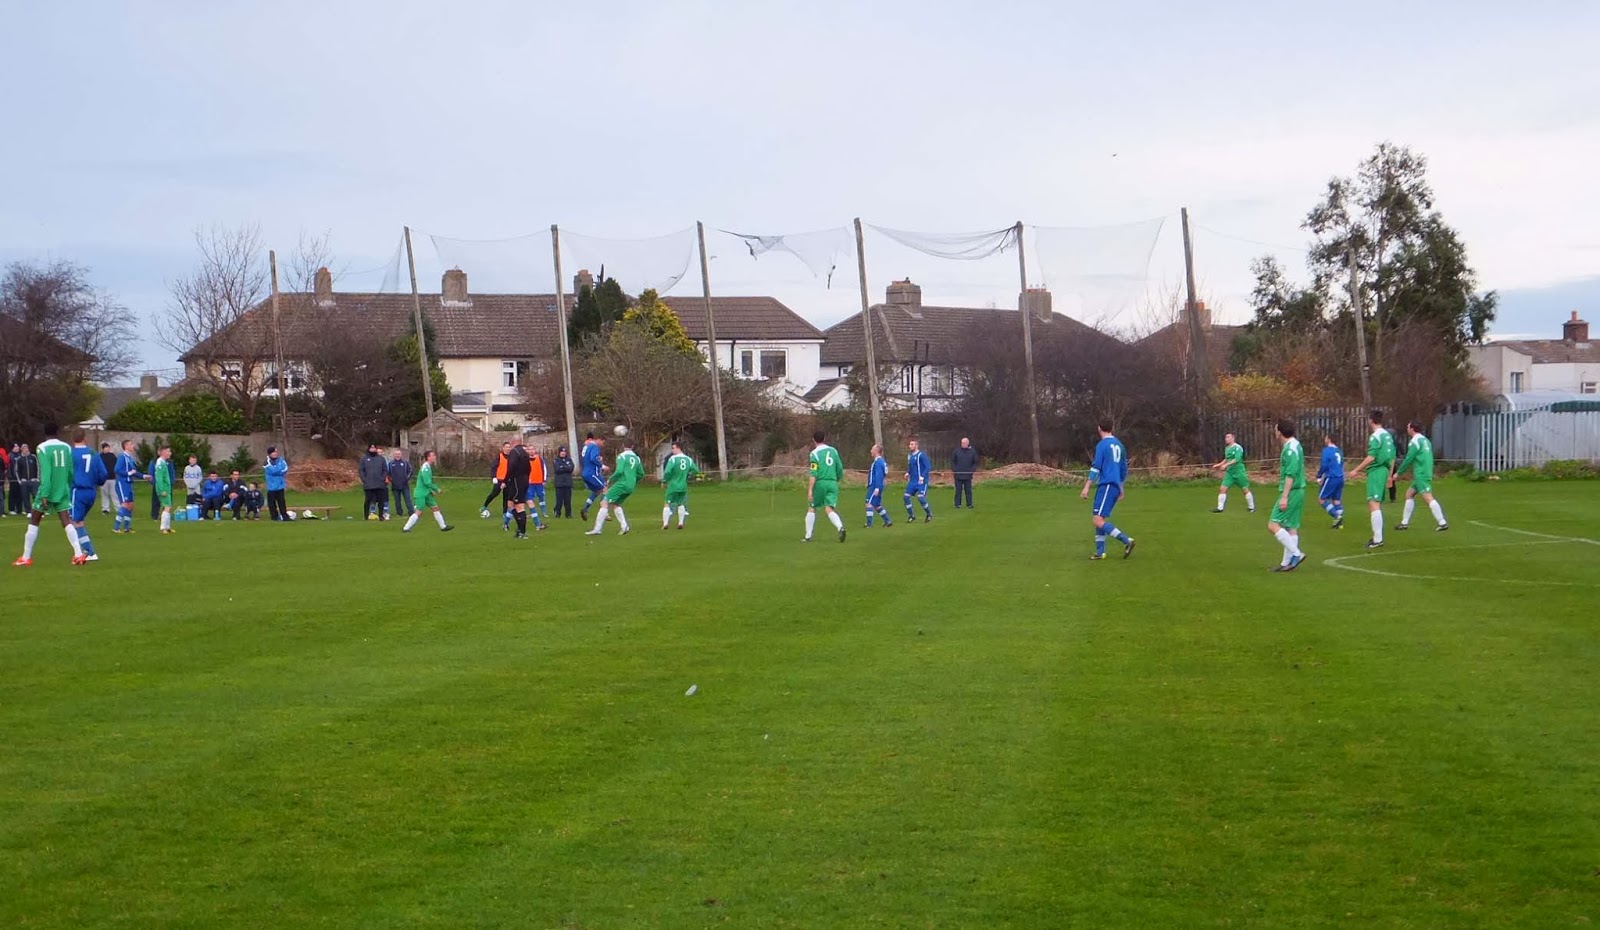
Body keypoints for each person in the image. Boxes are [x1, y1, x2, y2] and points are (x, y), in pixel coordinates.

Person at [14, 424, 85, 566]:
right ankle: (78, 553)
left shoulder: (42, 448)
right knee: (66, 521)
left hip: (48, 490)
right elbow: (70, 470)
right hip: (62, 488)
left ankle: (26, 557)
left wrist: (44, 493)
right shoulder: (66, 447)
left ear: (44, 433)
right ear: (57, 432)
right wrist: (67, 485)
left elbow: (45, 472)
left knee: (34, 519)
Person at [1079, 418, 1135, 560]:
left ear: (1099, 428)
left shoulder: (1102, 445)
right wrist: (1121, 487)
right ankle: (1100, 552)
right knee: (1100, 518)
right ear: (1112, 428)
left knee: (1097, 520)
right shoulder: (1120, 445)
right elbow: (1123, 469)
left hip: (1107, 485)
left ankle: (1126, 540)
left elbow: (1096, 467)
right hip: (1114, 485)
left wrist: (1086, 486)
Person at [1345, 409, 1397, 550]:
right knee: (1376, 503)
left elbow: (1371, 457)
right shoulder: (1387, 436)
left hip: (1376, 471)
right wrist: (1390, 476)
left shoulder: (1375, 437)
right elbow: (1392, 457)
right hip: (1385, 470)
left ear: (1370, 420)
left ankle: (1377, 539)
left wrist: (1356, 470)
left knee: (1373, 504)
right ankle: (1377, 537)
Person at [1267, 419, 1308, 572]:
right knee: (1291, 527)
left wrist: (1284, 496)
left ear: (1280, 432)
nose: (1274, 431)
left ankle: (1297, 554)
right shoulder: (1295, 444)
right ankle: (1286, 563)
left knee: (1273, 525)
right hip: (1298, 490)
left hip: (1292, 491)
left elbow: (1290, 474)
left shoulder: (1290, 449)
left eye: (1275, 429)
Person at [1393, 421, 1449, 532]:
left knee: (1428, 497)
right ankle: (1404, 523)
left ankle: (1442, 522)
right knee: (1409, 494)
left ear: (1412, 429)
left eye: (1408, 427)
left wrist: (1398, 473)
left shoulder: (1414, 442)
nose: (1407, 429)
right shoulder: (1425, 440)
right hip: (1425, 471)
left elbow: (1409, 458)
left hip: (1421, 474)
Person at [586, 438, 643, 536]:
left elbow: (619, 471)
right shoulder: (637, 458)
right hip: (630, 485)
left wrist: (610, 479)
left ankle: (597, 529)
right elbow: (641, 474)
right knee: (615, 503)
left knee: (604, 502)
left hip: (622, 484)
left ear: (623, 446)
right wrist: (632, 480)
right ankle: (624, 526)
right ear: (633, 447)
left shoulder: (622, 457)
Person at [68, 432, 108, 562]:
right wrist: (97, 482)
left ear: (73, 439)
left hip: (78, 491)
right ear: (84, 438)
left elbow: (67, 473)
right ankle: (85, 550)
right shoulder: (93, 453)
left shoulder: (71, 454)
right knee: (79, 522)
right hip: (91, 492)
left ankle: (89, 552)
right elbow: (103, 474)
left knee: (76, 522)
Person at [803, 430, 847, 543]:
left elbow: (813, 473)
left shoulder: (814, 453)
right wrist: (836, 480)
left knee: (812, 507)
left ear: (813, 440)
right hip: (832, 483)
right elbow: (840, 468)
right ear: (824, 439)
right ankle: (840, 527)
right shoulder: (833, 451)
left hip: (821, 482)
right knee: (829, 508)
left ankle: (808, 536)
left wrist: (810, 490)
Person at [402, 450, 454, 533]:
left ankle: (443, 526)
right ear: (428, 457)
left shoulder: (428, 467)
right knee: (419, 512)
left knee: (435, 508)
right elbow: (426, 482)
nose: (435, 457)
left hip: (427, 493)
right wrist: (436, 489)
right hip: (421, 493)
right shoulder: (425, 467)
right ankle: (406, 528)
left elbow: (425, 482)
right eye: (433, 455)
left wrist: (430, 490)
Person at [1210, 432, 1255, 513]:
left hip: (1239, 472)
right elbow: (1227, 458)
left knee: (1245, 489)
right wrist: (1219, 464)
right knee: (1222, 489)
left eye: (1228, 437)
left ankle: (1251, 507)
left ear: (1233, 438)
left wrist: (1226, 465)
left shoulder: (1238, 448)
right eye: (1225, 437)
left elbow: (1236, 459)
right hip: (1229, 473)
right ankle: (1220, 508)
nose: (1226, 439)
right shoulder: (1227, 448)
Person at [501, 440, 536, 538]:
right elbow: (529, 468)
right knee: (510, 505)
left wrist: (505, 480)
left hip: (517, 482)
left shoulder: (514, 452)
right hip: (522, 482)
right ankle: (517, 528)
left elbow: (511, 467)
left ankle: (522, 532)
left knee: (519, 506)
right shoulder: (524, 453)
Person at [661, 441, 699, 529]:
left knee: (667, 503)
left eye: (673, 448)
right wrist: (687, 474)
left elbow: (667, 471)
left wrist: (664, 480)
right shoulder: (688, 459)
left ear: (678, 448)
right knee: (680, 503)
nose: (672, 450)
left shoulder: (673, 459)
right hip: (683, 485)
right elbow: (696, 471)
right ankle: (681, 523)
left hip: (673, 485)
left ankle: (665, 523)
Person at [112, 439, 143, 533]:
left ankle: (127, 527)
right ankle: (116, 527)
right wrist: (128, 473)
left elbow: (134, 472)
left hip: (129, 483)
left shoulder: (130, 458)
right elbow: (117, 469)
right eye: (131, 444)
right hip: (122, 483)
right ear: (126, 446)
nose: (133, 446)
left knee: (130, 505)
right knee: (125, 504)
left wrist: (144, 476)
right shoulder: (122, 457)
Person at [1315, 435, 1345, 529]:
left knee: (1321, 499)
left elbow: (1324, 465)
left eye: (1325, 438)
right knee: (1336, 500)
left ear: (1328, 439)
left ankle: (1337, 516)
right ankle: (1339, 524)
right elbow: (1341, 465)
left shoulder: (1327, 450)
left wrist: (1319, 476)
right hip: (1340, 477)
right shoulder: (1339, 451)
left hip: (1332, 477)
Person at [579, 432, 608, 520]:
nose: (603, 445)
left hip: (585, 473)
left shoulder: (587, 446)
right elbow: (593, 458)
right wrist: (602, 465)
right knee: (605, 488)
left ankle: (585, 508)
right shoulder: (594, 447)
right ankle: (604, 511)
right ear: (599, 440)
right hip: (592, 473)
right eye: (603, 442)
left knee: (597, 491)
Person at [904, 437, 933, 523]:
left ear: (916, 445)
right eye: (910, 444)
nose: (910, 446)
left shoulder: (921, 455)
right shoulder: (909, 456)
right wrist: (907, 473)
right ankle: (911, 516)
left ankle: (929, 514)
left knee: (920, 498)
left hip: (921, 481)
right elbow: (910, 467)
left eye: (912, 444)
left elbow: (928, 467)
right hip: (912, 481)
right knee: (906, 497)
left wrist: (922, 476)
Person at [480, 441, 511, 518]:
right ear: (503, 448)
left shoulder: (512, 457)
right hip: (499, 479)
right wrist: (494, 477)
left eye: (509, 447)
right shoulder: (499, 457)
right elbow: (494, 467)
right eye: (506, 447)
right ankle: (485, 505)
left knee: (506, 497)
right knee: (494, 494)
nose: (508, 449)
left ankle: (505, 512)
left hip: (507, 480)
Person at [865, 443, 892, 527]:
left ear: (876, 451)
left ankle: (869, 524)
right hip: (875, 485)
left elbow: (879, 475)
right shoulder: (879, 462)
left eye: (872, 449)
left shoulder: (878, 462)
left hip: (875, 486)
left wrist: (877, 487)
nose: (871, 451)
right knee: (876, 504)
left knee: (868, 503)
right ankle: (887, 521)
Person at [359, 444, 389, 520]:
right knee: (368, 500)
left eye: (374, 448)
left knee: (381, 500)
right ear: (369, 448)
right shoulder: (364, 459)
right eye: (371, 447)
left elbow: (385, 470)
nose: (373, 449)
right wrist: (364, 479)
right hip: (368, 484)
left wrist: (382, 478)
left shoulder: (381, 459)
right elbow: (361, 470)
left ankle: (381, 516)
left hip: (379, 484)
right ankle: (366, 516)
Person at [152, 445, 176, 533]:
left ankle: (168, 527)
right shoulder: (160, 463)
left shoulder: (164, 462)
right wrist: (162, 490)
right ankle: (163, 528)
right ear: (163, 452)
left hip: (167, 488)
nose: (170, 453)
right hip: (163, 489)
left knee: (168, 507)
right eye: (168, 451)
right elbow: (159, 478)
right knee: (166, 507)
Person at [386, 448, 414, 519]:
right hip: (395, 485)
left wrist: (406, 479)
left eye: (398, 454)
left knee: (408, 499)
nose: (397, 455)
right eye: (396, 454)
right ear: (394, 455)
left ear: (401, 455)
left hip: (404, 485)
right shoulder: (391, 463)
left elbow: (410, 471)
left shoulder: (405, 463)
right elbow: (388, 473)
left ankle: (411, 512)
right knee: (397, 501)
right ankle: (399, 513)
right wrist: (391, 480)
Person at [951, 437, 978, 509]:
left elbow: (975, 462)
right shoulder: (956, 451)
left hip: (968, 475)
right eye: (962, 443)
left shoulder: (972, 451)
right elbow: (953, 462)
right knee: (958, 490)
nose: (963, 444)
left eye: (965, 443)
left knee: (968, 490)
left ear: (968, 443)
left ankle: (969, 504)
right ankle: (957, 504)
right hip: (958, 475)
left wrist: (971, 471)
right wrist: (955, 470)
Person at [263, 446, 290, 522]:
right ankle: (274, 517)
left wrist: (279, 471)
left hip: (280, 486)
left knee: (282, 502)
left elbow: (285, 468)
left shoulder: (281, 460)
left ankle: (285, 517)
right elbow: (273, 471)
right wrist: (280, 471)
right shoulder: (266, 462)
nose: (275, 454)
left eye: (276, 452)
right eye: (273, 452)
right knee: (272, 504)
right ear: (270, 453)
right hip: (271, 487)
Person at [551, 444, 575, 518]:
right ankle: (557, 513)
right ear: (559, 453)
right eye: (561, 452)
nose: (563, 453)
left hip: (568, 483)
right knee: (559, 500)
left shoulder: (569, 460)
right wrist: (566, 467)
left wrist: (563, 467)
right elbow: (557, 469)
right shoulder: (556, 460)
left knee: (567, 500)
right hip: (559, 484)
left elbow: (571, 468)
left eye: (564, 452)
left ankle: (568, 514)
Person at [14, 444, 39, 516]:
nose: (26, 450)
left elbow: (38, 467)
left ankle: (38, 511)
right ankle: (28, 511)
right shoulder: (19, 459)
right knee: (25, 497)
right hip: (24, 481)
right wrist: (20, 480)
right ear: (22, 450)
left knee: (36, 496)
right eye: (24, 449)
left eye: (27, 448)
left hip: (34, 480)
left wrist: (37, 478)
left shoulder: (33, 457)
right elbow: (17, 471)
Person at [526, 445, 548, 522]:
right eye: (529, 449)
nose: (531, 451)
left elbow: (544, 469)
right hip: (530, 483)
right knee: (530, 498)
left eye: (533, 449)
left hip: (539, 482)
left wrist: (544, 480)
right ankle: (532, 512)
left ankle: (544, 512)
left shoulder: (540, 459)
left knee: (541, 497)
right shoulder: (525, 460)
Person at [97, 442, 117, 514]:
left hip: (112, 478)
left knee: (114, 494)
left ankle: (118, 508)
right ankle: (105, 509)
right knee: (104, 494)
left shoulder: (112, 456)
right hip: (104, 479)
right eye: (106, 447)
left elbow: (116, 464)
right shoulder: (100, 456)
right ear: (103, 449)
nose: (107, 449)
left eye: (108, 447)